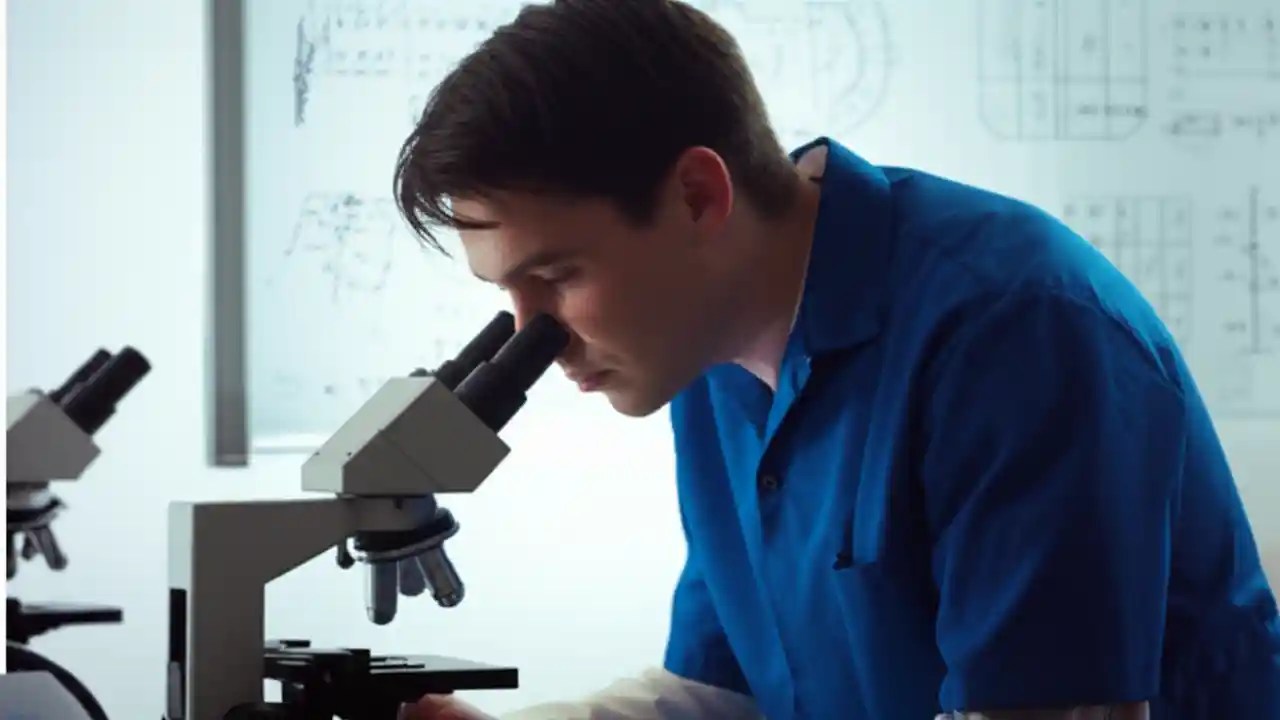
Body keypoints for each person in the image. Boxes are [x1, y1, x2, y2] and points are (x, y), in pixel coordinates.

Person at [390, 1, 1280, 718]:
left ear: (699, 197)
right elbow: (727, 690)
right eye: (507, 295)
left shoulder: (1015, 332)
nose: (534, 342)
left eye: (556, 278)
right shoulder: (705, 353)